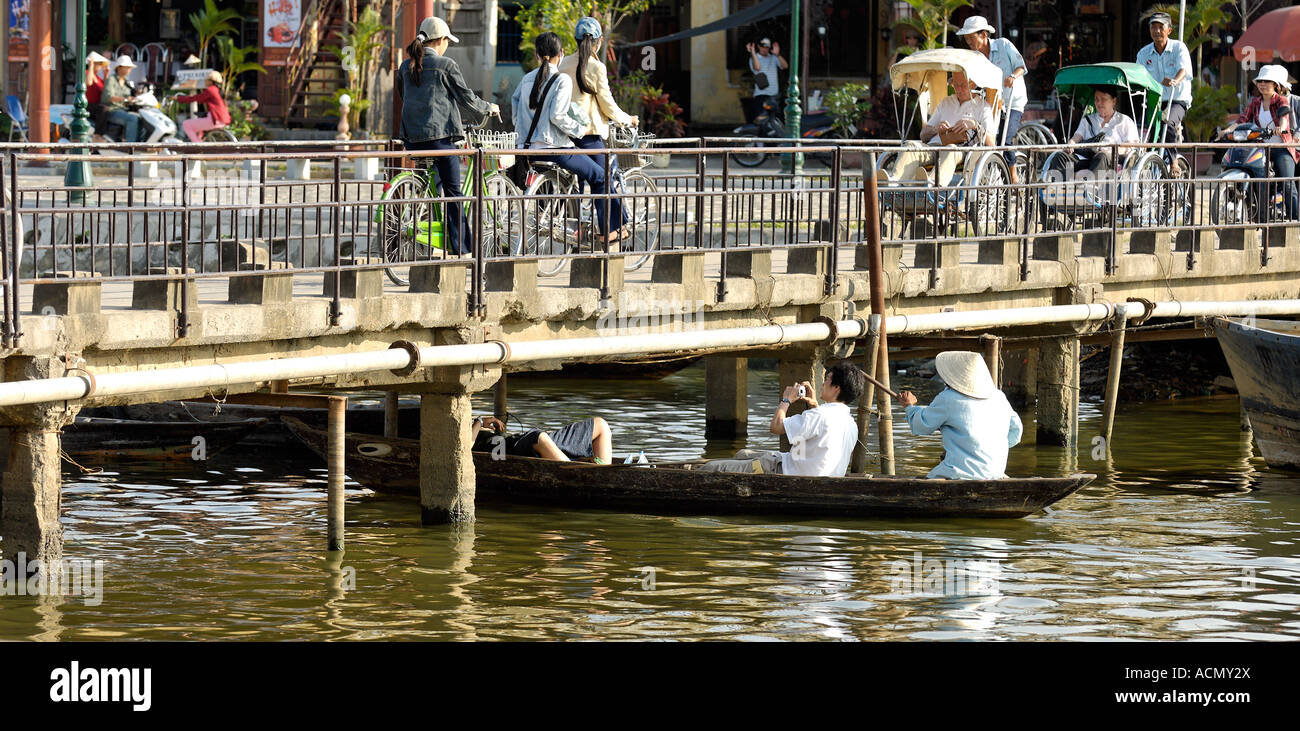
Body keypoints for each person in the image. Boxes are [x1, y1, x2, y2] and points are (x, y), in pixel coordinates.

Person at [396, 16, 500, 255]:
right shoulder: (446, 65)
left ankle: (435, 237)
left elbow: (405, 96)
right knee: (455, 193)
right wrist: (489, 108)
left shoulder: (405, 66)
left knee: (437, 181)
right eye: (447, 42)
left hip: (412, 140)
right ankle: (462, 249)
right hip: (440, 141)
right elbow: (466, 98)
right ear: (441, 40)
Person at [513, 32, 625, 244]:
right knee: (601, 176)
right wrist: (579, 130)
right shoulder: (561, 79)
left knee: (576, 179)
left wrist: (524, 131)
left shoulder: (526, 79)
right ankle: (611, 231)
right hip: (555, 148)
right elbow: (558, 116)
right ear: (561, 54)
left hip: (527, 148)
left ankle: (574, 225)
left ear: (537, 55)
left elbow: (515, 108)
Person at [697, 363, 865, 476]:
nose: (823, 383)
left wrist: (786, 400)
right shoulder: (850, 423)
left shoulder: (819, 415)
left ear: (836, 388)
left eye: (827, 379)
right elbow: (820, 430)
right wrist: (814, 404)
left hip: (785, 471)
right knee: (742, 453)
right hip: (812, 472)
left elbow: (776, 427)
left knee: (709, 468)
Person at [559, 16, 636, 230]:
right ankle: (609, 232)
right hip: (589, 136)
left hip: (566, 135)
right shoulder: (596, 67)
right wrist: (627, 119)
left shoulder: (563, 64)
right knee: (604, 180)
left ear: (575, 40)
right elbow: (607, 104)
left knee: (578, 183)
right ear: (599, 41)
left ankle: (576, 230)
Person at [899, 351, 1023, 480]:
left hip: (959, 474)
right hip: (995, 473)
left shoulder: (948, 398)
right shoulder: (999, 397)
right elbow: (1015, 433)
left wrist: (909, 406)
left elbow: (920, 425)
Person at [879, 70, 995, 184]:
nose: (958, 89)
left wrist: (974, 125)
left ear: (973, 84)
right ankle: (894, 182)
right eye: (955, 84)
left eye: (962, 85)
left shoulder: (983, 107)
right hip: (934, 147)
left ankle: (932, 184)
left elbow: (991, 144)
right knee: (911, 145)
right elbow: (923, 135)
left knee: (950, 149)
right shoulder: (946, 102)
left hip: (960, 151)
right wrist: (936, 129)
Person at [1219, 65, 1297, 221]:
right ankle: (1258, 211)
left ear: (1275, 84)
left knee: (1288, 183)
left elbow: (1284, 117)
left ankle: (1296, 219)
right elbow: (1242, 120)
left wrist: (1280, 127)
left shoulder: (1281, 100)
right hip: (1260, 148)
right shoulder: (1255, 102)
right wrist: (1227, 130)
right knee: (1256, 176)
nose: (1262, 84)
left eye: (1267, 81)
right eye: (1260, 81)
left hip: (1281, 148)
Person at [957, 15, 1027, 181]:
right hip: (991, 103)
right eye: (966, 39)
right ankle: (987, 175)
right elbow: (975, 81)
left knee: (1005, 139)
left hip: (1013, 102)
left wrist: (1012, 76)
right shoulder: (975, 57)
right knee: (985, 137)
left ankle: (1013, 176)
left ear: (984, 35)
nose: (968, 42)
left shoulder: (1003, 44)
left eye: (971, 38)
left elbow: (1021, 66)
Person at [1136, 12, 1190, 147]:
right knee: (1140, 127)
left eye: (1161, 27)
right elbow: (1139, 77)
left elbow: (1183, 70)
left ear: (1169, 30)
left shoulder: (1179, 47)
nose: (1157, 31)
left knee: (1167, 122)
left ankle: (1174, 163)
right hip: (1155, 100)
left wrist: (1175, 81)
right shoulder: (1143, 54)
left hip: (1176, 100)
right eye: (1153, 27)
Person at [471, 415, 613, 464]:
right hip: (524, 444)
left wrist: (482, 423)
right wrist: (479, 421)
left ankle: (603, 472)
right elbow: (465, 446)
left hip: (526, 440)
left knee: (601, 425)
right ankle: (577, 469)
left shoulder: (477, 428)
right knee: (539, 436)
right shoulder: (464, 435)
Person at [1067, 85, 1140, 174]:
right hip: (1087, 158)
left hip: (1110, 160)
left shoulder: (1124, 121)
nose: (1099, 103)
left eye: (1103, 99)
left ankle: (1092, 186)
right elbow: (1077, 136)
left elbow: (1131, 147)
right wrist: (1071, 143)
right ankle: (1056, 186)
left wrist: (1111, 150)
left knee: (1102, 155)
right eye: (1096, 99)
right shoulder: (1087, 120)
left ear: (1114, 101)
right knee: (1061, 156)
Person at [175, 70, 231, 142]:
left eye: (206, 80)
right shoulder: (217, 90)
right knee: (198, 129)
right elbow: (201, 99)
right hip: (222, 120)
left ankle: (197, 146)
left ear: (211, 81)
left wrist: (178, 98)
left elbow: (195, 98)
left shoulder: (211, 90)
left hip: (215, 120)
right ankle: (200, 142)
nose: (205, 81)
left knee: (186, 124)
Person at [103, 55, 143, 143]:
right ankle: (130, 145)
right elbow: (107, 97)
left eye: (130, 67)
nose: (130, 69)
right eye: (127, 67)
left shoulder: (126, 82)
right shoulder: (111, 79)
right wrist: (125, 99)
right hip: (112, 110)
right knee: (132, 119)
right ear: (119, 68)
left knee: (141, 118)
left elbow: (128, 98)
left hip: (123, 110)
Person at [746, 37, 788, 115]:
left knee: (775, 119)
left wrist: (778, 54)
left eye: (766, 47)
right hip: (761, 94)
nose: (764, 49)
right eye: (762, 47)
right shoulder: (754, 58)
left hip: (774, 95)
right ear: (758, 46)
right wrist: (753, 53)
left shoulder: (774, 57)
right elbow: (757, 68)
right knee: (762, 119)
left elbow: (785, 66)